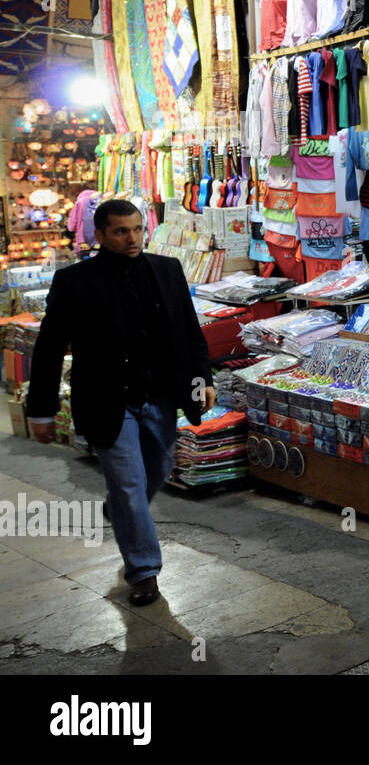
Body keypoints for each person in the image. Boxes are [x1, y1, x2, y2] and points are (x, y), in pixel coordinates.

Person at [26, 201, 216, 607]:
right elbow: (50, 348)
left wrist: (202, 381)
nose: (132, 239)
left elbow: (189, 332)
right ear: (99, 236)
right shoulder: (74, 282)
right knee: (130, 487)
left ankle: (120, 511)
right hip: (107, 401)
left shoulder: (167, 270)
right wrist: (41, 410)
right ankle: (144, 571)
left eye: (137, 230)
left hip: (161, 395)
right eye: (120, 232)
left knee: (159, 468)